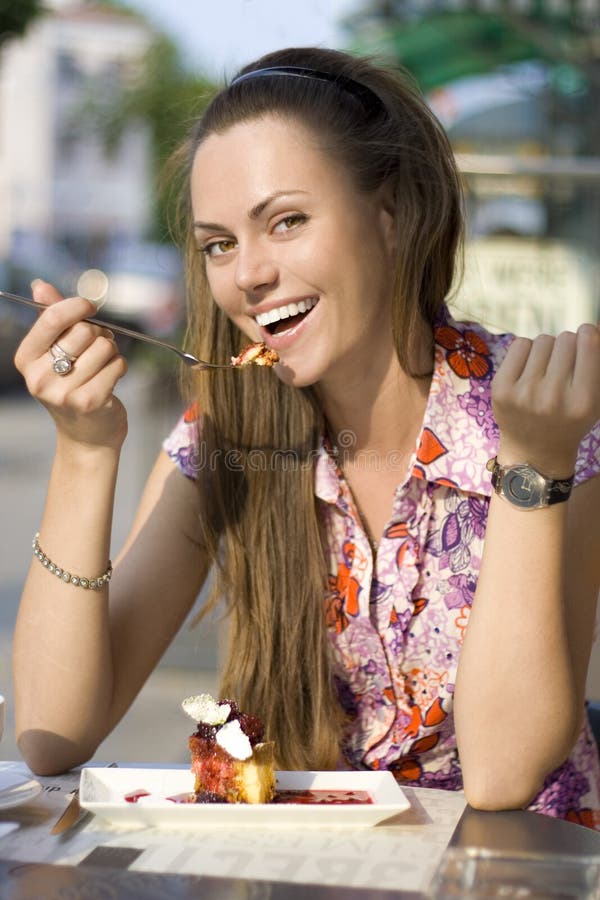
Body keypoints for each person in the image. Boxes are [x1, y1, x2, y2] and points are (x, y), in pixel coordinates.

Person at [12, 47, 600, 827]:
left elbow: (502, 771)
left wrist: (531, 470)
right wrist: (85, 451)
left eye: (285, 221)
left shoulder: (537, 420)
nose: (247, 275)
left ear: (391, 216)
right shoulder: (228, 432)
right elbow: (54, 733)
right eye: (219, 243)